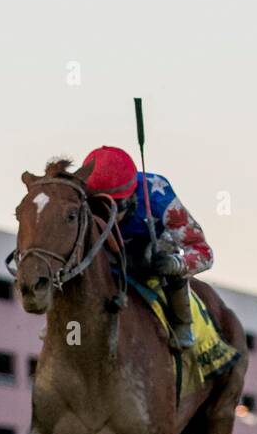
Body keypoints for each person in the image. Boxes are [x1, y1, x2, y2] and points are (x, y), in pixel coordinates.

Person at [81, 145, 212, 349]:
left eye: (115, 206)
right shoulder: (77, 196)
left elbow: (204, 253)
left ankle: (182, 323)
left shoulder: (160, 197)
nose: (109, 217)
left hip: (152, 248)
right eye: (98, 207)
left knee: (164, 257)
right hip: (105, 252)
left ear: (131, 197)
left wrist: (175, 264)